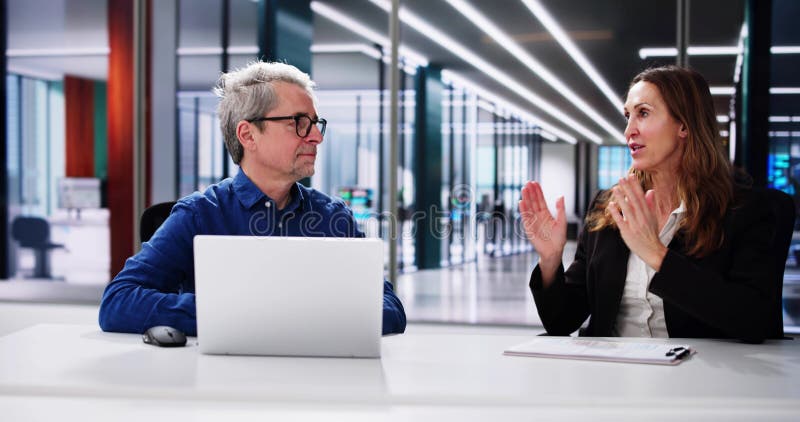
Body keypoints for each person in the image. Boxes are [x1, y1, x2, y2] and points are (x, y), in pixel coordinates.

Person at [99, 61, 406, 336]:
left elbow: (390, 307)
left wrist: (301, 316)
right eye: (299, 123)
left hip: (315, 382)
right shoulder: (200, 215)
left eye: (315, 123)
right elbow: (118, 301)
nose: (316, 136)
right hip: (222, 383)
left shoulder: (331, 216)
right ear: (248, 135)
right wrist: (233, 312)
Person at [519, 65, 776, 343]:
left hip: (700, 377)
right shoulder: (609, 207)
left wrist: (656, 253)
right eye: (628, 116)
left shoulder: (746, 210)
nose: (629, 130)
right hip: (613, 374)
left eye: (643, 113)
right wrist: (550, 260)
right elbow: (561, 321)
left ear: (684, 125)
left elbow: (753, 321)